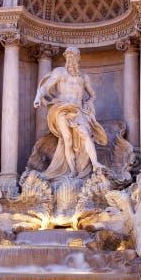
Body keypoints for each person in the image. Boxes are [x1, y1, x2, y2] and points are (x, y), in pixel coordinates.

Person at [32, 47, 107, 180]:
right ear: (66, 58)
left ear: (78, 59)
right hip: (61, 109)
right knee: (67, 139)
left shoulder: (83, 77)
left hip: (78, 110)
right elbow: (46, 87)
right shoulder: (59, 72)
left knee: (85, 134)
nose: (71, 59)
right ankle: (72, 170)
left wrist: (89, 102)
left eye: (74, 57)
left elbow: (93, 94)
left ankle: (95, 164)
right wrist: (38, 97)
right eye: (69, 57)